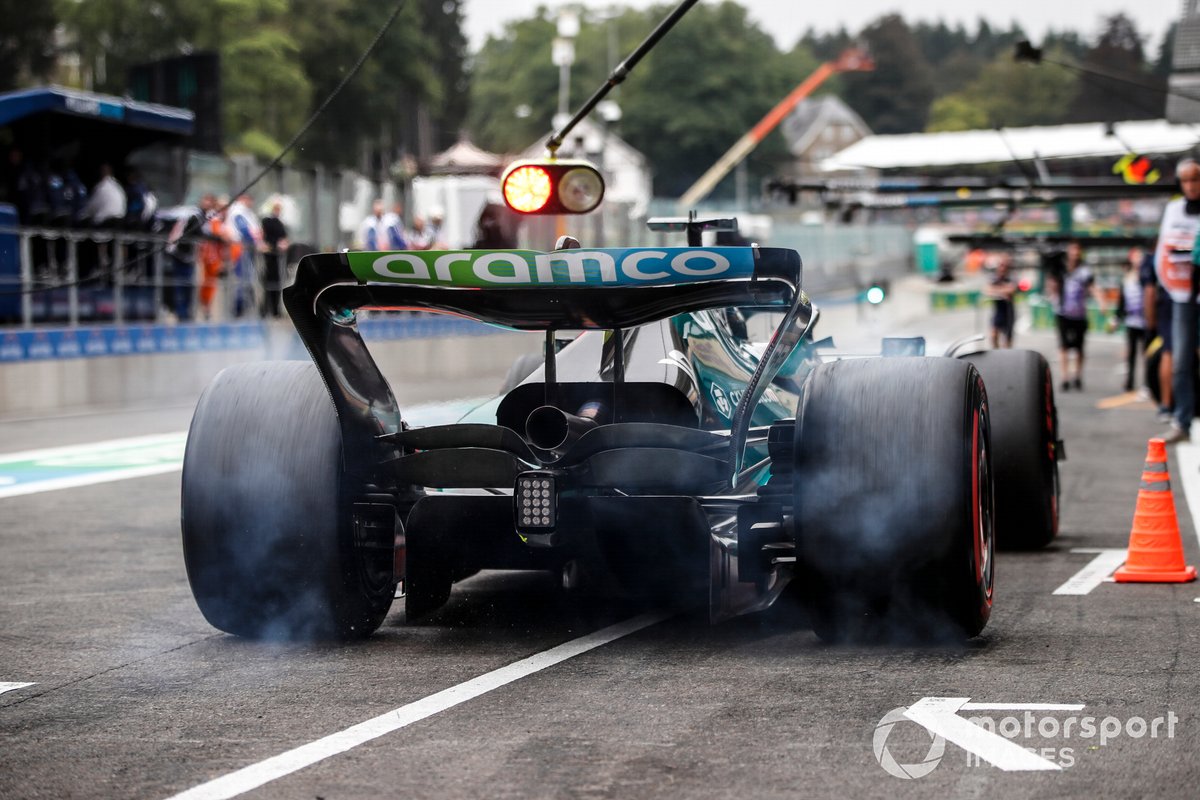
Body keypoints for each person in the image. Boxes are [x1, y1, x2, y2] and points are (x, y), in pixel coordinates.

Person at [1155, 157, 1200, 443]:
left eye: (1195, 179)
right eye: (1186, 180)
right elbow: (1164, 252)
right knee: (1180, 361)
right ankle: (1182, 420)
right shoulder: (1173, 210)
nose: (1191, 185)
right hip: (1183, 296)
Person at [1046, 241, 1099, 391]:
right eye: (1072, 250)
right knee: (1063, 346)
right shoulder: (1060, 269)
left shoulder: (1084, 271)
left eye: (1077, 250)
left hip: (1079, 315)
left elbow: (1092, 287)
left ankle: (1077, 375)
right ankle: (1064, 377)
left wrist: (1102, 302)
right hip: (1062, 313)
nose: (1075, 253)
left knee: (1079, 348)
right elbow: (1051, 287)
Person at [1114, 246, 1150, 393]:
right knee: (1131, 354)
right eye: (1136, 256)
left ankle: (1148, 383)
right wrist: (1117, 318)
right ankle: (1129, 382)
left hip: (1147, 321)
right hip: (1132, 321)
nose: (1138, 259)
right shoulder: (1127, 278)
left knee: (1147, 354)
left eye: (1140, 256)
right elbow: (1121, 301)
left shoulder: (1148, 275)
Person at [226, 193, 262, 317]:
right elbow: (245, 231)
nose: (250, 202)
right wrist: (257, 243)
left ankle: (244, 308)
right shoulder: (238, 211)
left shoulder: (246, 212)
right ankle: (238, 310)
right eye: (248, 199)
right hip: (241, 249)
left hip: (246, 249)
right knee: (243, 280)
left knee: (247, 279)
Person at [259, 199, 289, 318]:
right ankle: (267, 309)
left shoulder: (278, 222)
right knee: (269, 282)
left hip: (277, 256)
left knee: (276, 282)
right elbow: (268, 236)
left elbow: (283, 236)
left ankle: (275, 310)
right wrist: (276, 244)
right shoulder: (267, 221)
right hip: (270, 255)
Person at [985, 252, 1018, 349]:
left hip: (1009, 310)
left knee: (1008, 339)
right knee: (993, 334)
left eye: (1005, 265)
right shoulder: (994, 277)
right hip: (998, 310)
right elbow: (987, 290)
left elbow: (1012, 289)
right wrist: (1002, 291)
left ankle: (1006, 357)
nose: (1002, 268)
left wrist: (997, 290)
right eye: (1001, 265)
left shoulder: (1012, 277)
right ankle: (996, 352)